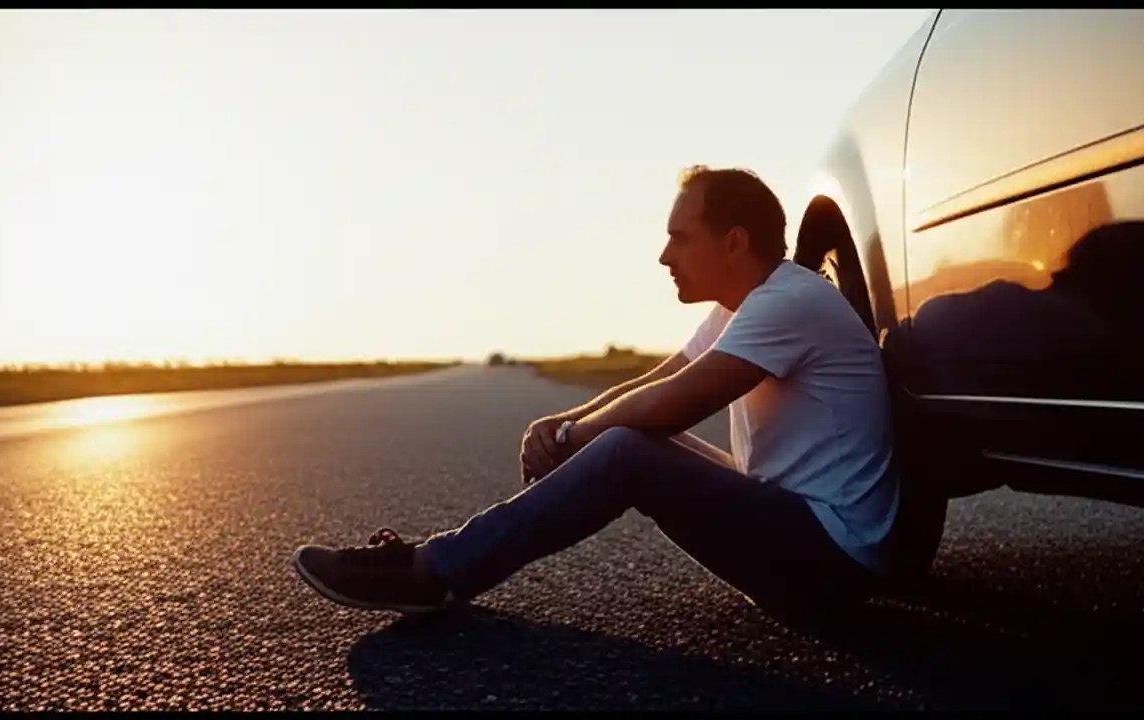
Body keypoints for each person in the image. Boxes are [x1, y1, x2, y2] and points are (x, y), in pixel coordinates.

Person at [292, 165, 901, 624]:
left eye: (680, 238)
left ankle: (434, 571)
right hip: (800, 534)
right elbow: (659, 380)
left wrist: (576, 438)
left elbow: (674, 405)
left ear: (734, 241)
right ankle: (437, 565)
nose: (665, 255)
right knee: (625, 439)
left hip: (831, 562)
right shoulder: (746, 304)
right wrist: (568, 418)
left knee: (627, 452)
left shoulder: (788, 302)